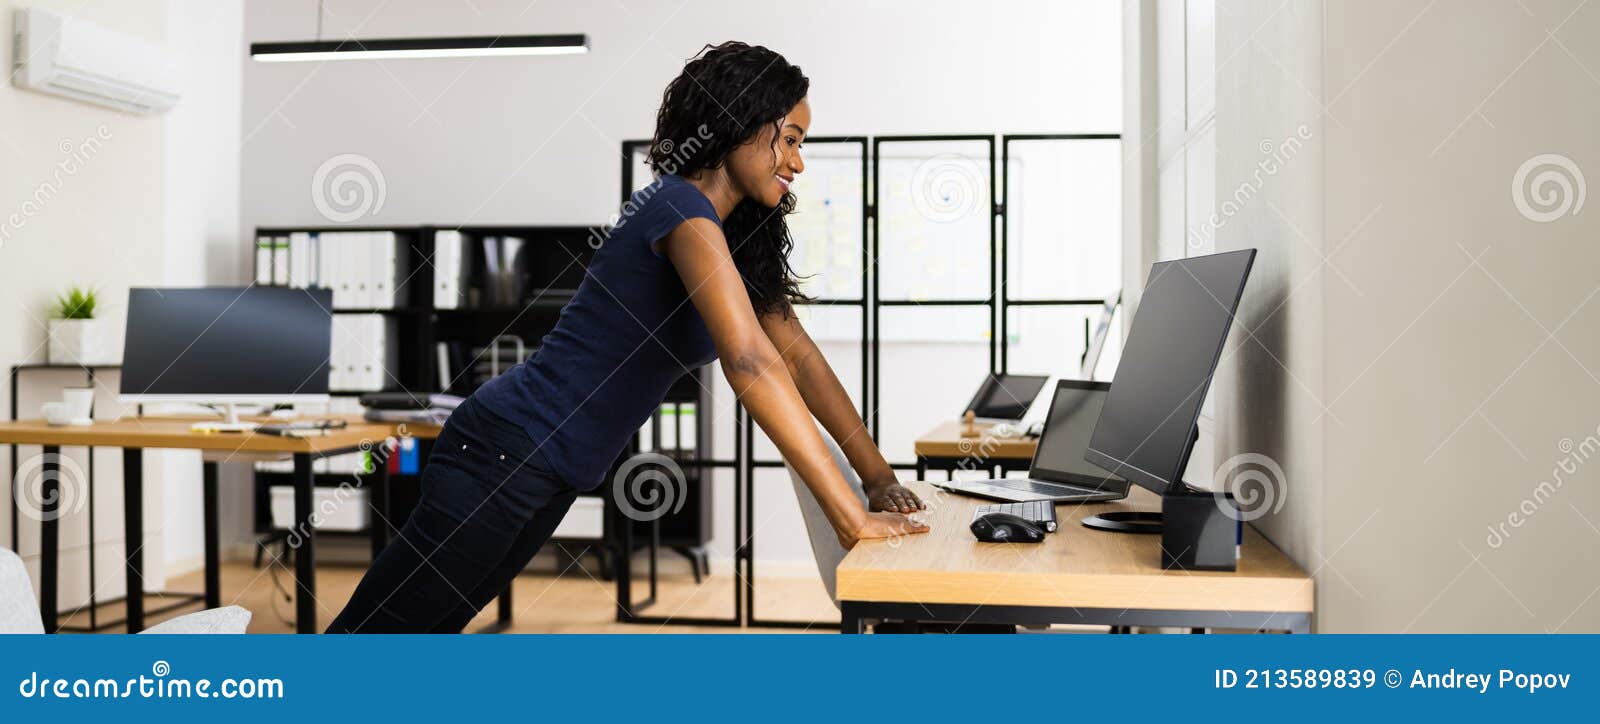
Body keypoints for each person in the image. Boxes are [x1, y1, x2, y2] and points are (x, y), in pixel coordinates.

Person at [328, 41, 927, 633]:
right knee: (380, 634)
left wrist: (877, 480)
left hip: (550, 469)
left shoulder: (728, 236)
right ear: (739, 125)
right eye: (790, 139)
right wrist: (849, 517)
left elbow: (798, 358)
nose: (797, 163)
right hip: (503, 450)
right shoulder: (676, 208)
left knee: (426, 631)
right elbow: (750, 362)